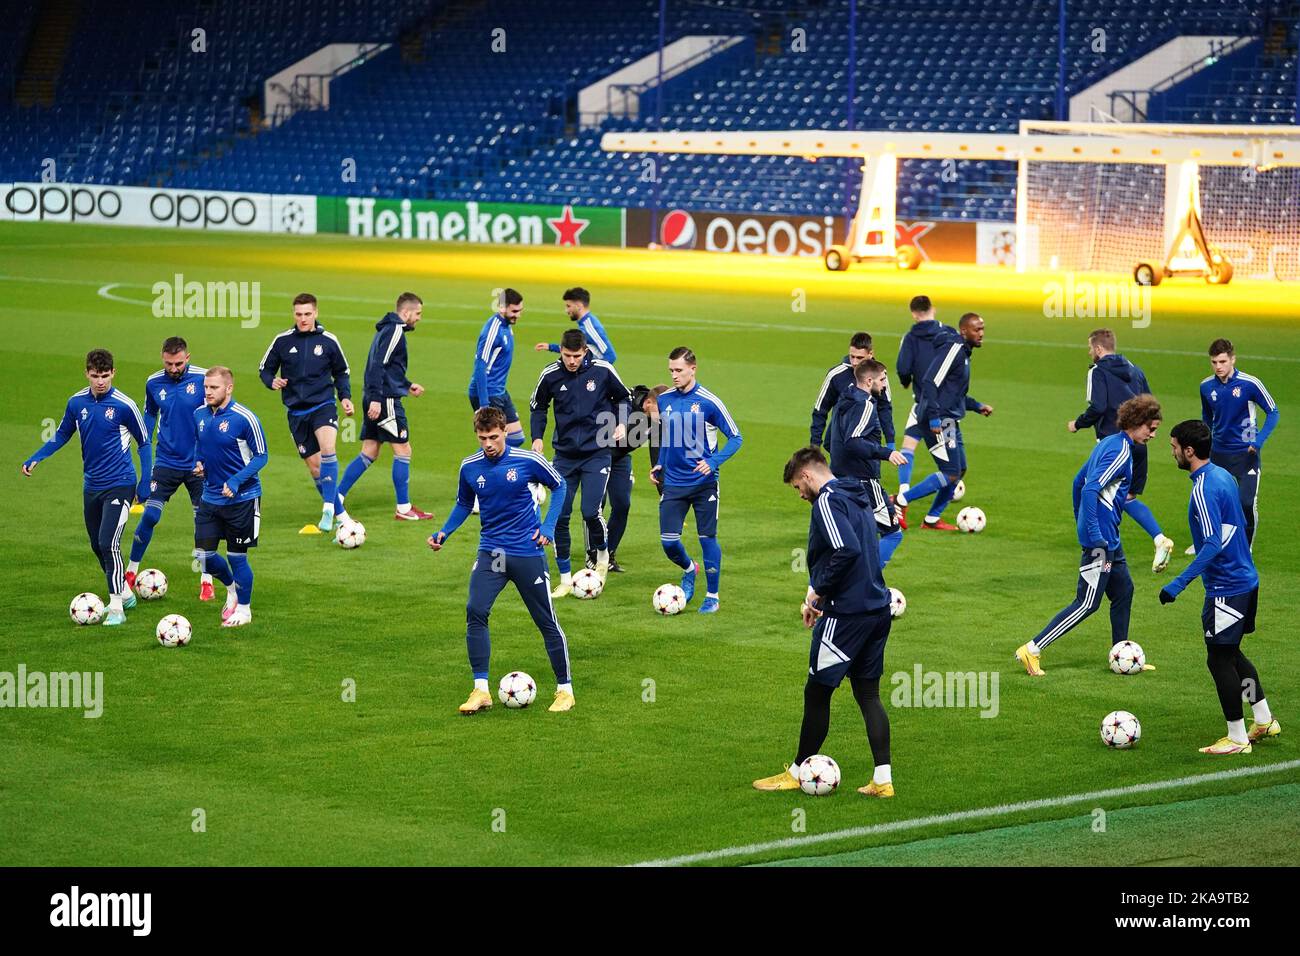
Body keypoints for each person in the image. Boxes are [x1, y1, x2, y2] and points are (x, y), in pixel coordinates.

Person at [753, 446, 894, 798]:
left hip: (846, 616)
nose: (800, 495)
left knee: (816, 693)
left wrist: (817, 594)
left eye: (797, 488)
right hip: (878, 609)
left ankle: (798, 770)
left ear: (807, 476)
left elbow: (846, 549)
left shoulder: (828, 501)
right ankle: (882, 779)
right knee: (868, 694)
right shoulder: (856, 493)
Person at [429, 406, 574, 714]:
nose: (488, 444)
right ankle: (480, 690)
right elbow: (464, 503)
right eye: (482, 438)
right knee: (475, 609)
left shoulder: (528, 460)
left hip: (527, 553)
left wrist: (548, 527)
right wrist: (445, 532)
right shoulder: (469, 467)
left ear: (505, 431)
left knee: (545, 620)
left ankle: (565, 690)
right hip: (492, 552)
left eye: (493, 437)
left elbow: (560, 486)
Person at [1015, 395, 1163, 677]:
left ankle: (1123, 653)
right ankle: (1031, 649)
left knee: (1124, 592)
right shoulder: (1120, 452)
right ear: (1135, 423)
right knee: (1087, 602)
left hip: (1109, 538)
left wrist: (1080, 520)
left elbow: (1077, 481)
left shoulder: (1111, 442)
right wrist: (1093, 534)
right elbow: (1089, 488)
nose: (1153, 435)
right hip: (1102, 541)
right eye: (1150, 429)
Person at [1160, 419, 1278, 754]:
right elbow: (1238, 524)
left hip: (1227, 587)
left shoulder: (1202, 489)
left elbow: (1212, 543)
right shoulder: (1223, 475)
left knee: (1219, 659)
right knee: (1231, 652)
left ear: (1189, 450)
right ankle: (1264, 719)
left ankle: (1238, 738)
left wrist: (1178, 583)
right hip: (1246, 578)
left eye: (1173, 447)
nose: (1172, 453)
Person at [22, 349, 148, 626]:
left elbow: (145, 443)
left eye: (105, 375)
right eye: (95, 376)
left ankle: (116, 608)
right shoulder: (76, 403)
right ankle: (126, 593)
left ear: (113, 373)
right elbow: (62, 433)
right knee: (96, 544)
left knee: (108, 543)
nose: (100, 381)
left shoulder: (125, 405)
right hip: (92, 486)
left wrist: (144, 481)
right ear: (86, 373)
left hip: (121, 484)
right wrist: (37, 457)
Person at [529, 328, 633, 595]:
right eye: (567, 355)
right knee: (560, 515)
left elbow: (624, 397)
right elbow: (538, 406)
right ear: (561, 352)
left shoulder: (602, 370)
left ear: (585, 352)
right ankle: (564, 579)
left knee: (590, 511)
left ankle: (602, 556)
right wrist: (537, 438)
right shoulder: (550, 375)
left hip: (596, 453)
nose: (572, 361)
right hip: (563, 457)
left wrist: (621, 423)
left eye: (576, 355)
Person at [1068, 328, 1174, 572]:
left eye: (1089, 348)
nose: (1089, 353)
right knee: (1126, 497)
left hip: (1114, 444)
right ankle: (1159, 539)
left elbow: (1098, 406)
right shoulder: (1135, 369)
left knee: (1089, 487)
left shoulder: (1097, 371)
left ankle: (1092, 542)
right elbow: (1150, 403)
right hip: (1140, 442)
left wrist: (1078, 424)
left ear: (1097, 349)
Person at [653, 347, 743, 614]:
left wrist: (713, 462)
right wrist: (660, 462)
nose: (674, 376)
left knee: (707, 539)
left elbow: (736, 437)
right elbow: (669, 437)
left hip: (704, 485)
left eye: (679, 370)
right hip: (674, 483)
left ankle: (712, 595)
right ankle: (690, 568)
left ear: (693, 368)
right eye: (671, 370)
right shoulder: (665, 399)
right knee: (669, 542)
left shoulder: (709, 402)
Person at [126, 337, 213, 599]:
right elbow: (150, 415)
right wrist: (143, 440)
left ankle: (206, 580)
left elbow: (215, 415)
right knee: (150, 515)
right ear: (162, 359)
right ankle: (130, 571)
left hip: (197, 464)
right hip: (166, 461)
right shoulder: (153, 382)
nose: (173, 368)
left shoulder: (202, 379)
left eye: (178, 363)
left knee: (203, 521)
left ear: (187, 358)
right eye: (168, 363)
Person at [258, 293, 353, 533]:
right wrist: (272, 382)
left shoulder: (329, 341)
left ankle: (328, 508)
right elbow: (265, 369)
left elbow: (342, 372)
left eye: (307, 314)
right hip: (296, 412)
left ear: (316, 313)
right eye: (299, 314)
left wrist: (344, 398)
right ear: (294, 314)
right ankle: (341, 515)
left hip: (323, 405)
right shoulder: (282, 341)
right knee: (315, 468)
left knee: (329, 449)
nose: (303, 319)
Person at [335, 293, 433, 523]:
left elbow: (388, 368)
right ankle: (403, 507)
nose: (418, 318)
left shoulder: (387, 329)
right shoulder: (395, 331)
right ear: (406, 312)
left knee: (370, 451)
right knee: (403, 450)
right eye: (417, 314)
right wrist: (378, 399)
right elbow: (377, 366)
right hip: (385, 400)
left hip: (377, 396)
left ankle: (335, 497)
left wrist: (407, 385)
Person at [895, 312, 993, 531]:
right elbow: (930, 382)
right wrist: (934, 417)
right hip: (940, 420)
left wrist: (977, 406)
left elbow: (953, 394)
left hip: (949, 419)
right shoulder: (955, 350)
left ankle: (931, 519)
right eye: (977, 329)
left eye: (983, 329)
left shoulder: (964, 353)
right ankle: (899, 501)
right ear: (964, 331)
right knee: (950, 472)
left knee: (960, 469)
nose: (981, 334)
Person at [192, 366, 268, 629]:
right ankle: (231, 588)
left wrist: (236, 481)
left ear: (229, 388)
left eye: (214, 387)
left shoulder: (244, 418)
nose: (208, 392)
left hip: (243, 499)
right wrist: (199, 462)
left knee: (237, 557)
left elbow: (262, 456)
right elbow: (201, 445)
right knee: (203, 555)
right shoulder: (199, 414)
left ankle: (244, 610)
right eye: (205, 387)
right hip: (210, 498)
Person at [1199, 338, 1279, 549]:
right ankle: (1212, 542)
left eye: (1223, 361)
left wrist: (1258, 441)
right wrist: (1202, 445)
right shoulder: (1206, 387)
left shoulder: (1250, 383)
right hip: (1218, 455)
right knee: (1212, 502)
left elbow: (1273, 412)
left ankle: (1246, 548)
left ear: (1233, 359)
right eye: (1214, 362)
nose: (1218, 367)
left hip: (1246, 456)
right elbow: (1206, 418)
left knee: (1245, 503)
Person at [829, 359, 907, 566]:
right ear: (869, 380)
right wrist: (886, 453)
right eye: (882, 380)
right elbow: (853, 442)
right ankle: (868, 584)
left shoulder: (842, 401)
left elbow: (830, 441)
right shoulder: (865, 405)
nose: (884, 385)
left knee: (849, 539)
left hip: (837, 479)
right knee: (892, 533)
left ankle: (819, 592)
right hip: (863, 482)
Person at [584, 383, 668, 573]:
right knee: (596, 504)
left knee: (622, 504)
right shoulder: (623, 406)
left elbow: (657, 455)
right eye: (660, 410)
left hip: (620, 458)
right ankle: (592, 555)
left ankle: (609, 554)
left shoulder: (657, 420)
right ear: (648, 403)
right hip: (597, 455)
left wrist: (664, 493)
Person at [893, 295, 955, 524]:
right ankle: (928, 515)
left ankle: (903, 493)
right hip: (944, 411)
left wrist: (905, 380)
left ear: (913, 313)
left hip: (921, 405)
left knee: (908, 447)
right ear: (933, 310)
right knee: (954, 468)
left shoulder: (910, 338)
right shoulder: (949, 333)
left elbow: (903, 367)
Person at [810, 332, 891, 448]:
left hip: (868, 443)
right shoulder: (836, 374)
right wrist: (815, 445)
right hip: (840, 443)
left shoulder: (879, 374)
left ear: (870, 354)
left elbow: (885, 407)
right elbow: (820, 409)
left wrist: (890, 441)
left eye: (859, 358)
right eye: (852, 356)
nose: (854, 362)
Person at [468, 288, 526, 448]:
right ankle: (481, 471)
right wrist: (484, 405)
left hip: (500, 391)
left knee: (516, 438)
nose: (518, 315)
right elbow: (480, 366)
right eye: (514, 311)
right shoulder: (493, 331)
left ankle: (496, 469)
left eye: (520, 311)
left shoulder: (506, 325)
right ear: (502, 307)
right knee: (493, 443)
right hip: (489, 393)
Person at [534, 287, 617, 364]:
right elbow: (577, 349)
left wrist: (593, 373)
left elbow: (610, 356)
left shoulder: (590, 327)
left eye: (568, 306)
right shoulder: (584, 323)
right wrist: (551, 347)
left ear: (579, 306)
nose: (566, 310)